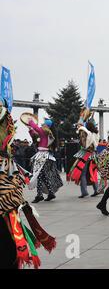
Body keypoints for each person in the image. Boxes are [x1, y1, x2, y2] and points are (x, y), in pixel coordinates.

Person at [1, 99, 56, 268]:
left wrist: (31, 124)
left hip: (39, 157)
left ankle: (43, 191)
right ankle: (43, 191)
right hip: (37, 158)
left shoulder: (45, 132)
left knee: (39, 177)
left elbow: (36, 131)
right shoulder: (45, 133)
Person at [27, 117, 63, 203]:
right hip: (46, 156)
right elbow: (36, 137)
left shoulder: (44, 131)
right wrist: (31, 130)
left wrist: (30, 121)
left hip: (43, 156)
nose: (42, 124)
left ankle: (39, 195)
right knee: (42, 175)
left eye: (43, 123)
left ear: (46, 125)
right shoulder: (47, 133)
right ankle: (50, 193)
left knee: (39, 175)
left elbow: (36, 128)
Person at [69, 110, 100, 198]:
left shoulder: (86, 133)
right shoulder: (95, 134)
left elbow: (84, 144)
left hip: (86, 154)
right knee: (92, 172)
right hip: (93, 154)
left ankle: (84, 192)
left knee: (82, 173)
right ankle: (96, 189)